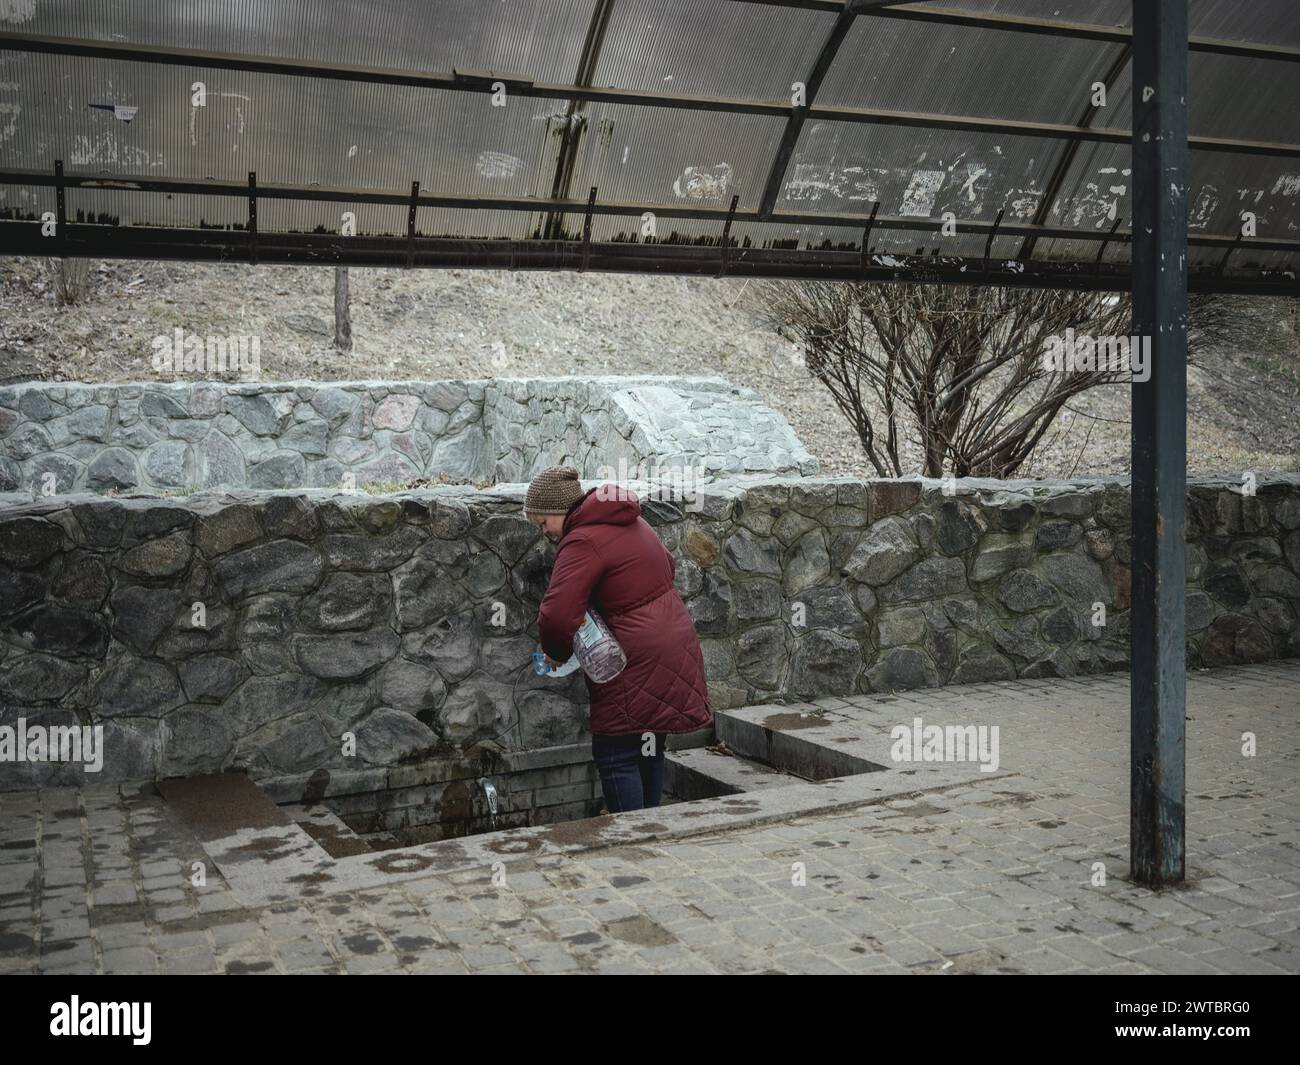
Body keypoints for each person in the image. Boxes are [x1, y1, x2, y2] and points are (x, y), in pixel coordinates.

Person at [525, 465, 712, 812]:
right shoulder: (631, 521)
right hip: (673, 643)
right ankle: (651, 831)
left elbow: (558, 613)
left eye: (543, 523)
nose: (545, 532)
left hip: (634, 658)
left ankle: (631, 842)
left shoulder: (582, 539)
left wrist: (554, 653)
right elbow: (667, 567)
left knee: (616, 755)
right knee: (648, 745)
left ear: (559, 510)